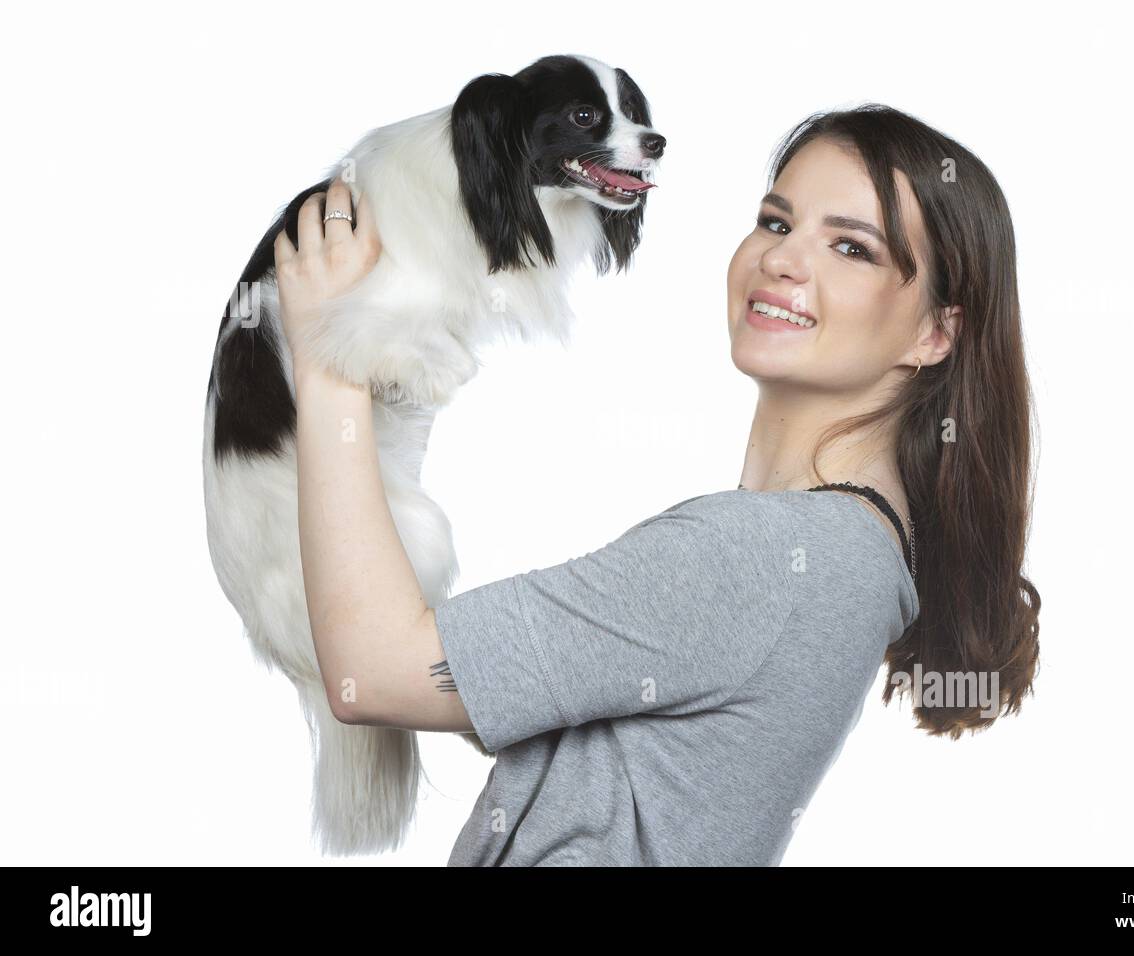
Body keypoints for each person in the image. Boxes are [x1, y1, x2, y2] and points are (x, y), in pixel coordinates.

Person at [279, 103, 1042, 867]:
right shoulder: (854, 557)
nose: (783, 260)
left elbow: (372, 672)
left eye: (851, 247)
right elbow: (479, 687)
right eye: (776, 222)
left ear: (934, 333)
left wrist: (332, 358)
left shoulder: (768, 555)